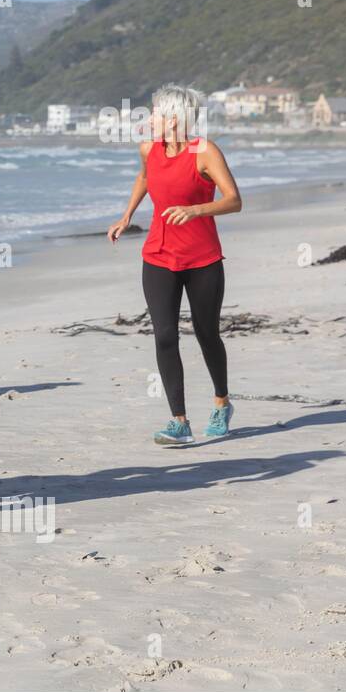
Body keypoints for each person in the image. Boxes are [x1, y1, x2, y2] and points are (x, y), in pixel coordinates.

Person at [107, 84, 241, 445]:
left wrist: (197, 210)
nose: (149, 119)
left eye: (156, 113)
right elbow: (146, 178)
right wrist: (126, 216)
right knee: (165, 335)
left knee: (206, 332)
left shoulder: (205, 152)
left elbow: (233, 200)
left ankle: (221, 402)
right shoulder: (149, 148)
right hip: (159, 256)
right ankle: (178, 421)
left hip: (202, 258)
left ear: (175, 118)